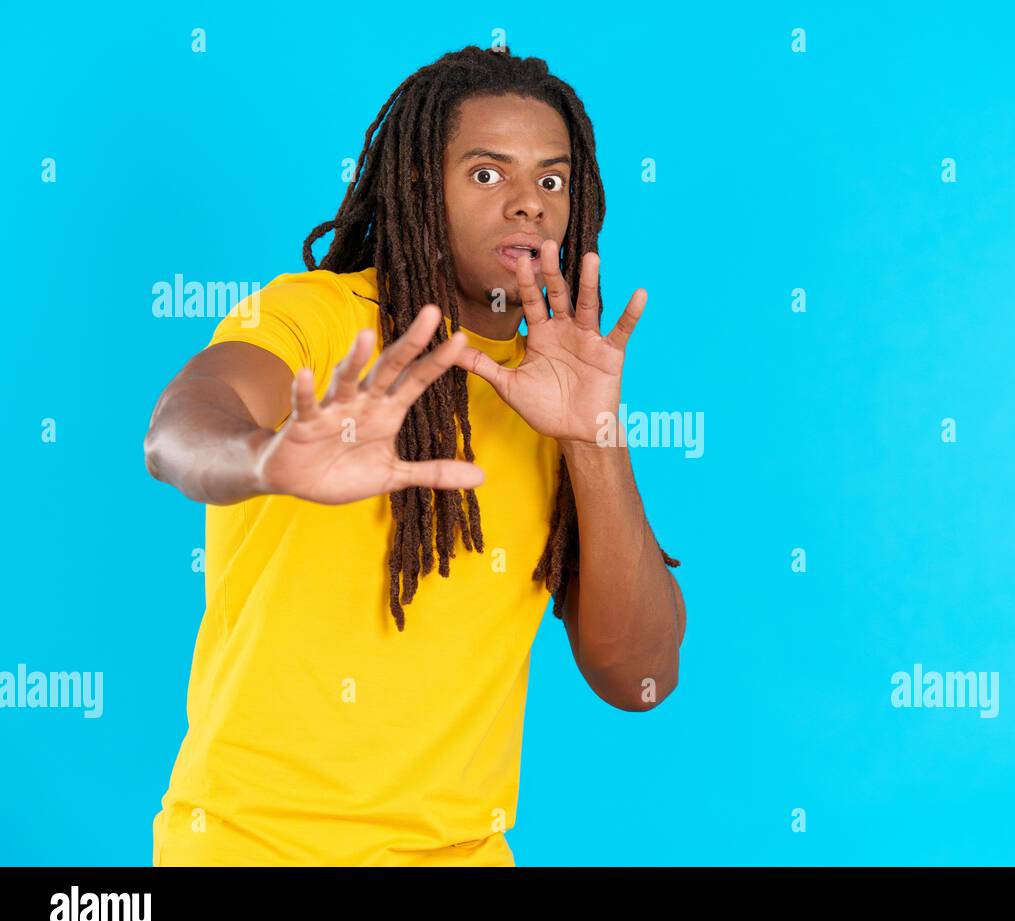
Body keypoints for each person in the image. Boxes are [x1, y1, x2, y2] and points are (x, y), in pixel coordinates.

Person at [143, 45, 686, 866]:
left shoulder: (559, 383)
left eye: (551, 180)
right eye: (485, 174)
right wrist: (266, 459)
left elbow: (638, 677)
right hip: (251, 849)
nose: (528, 206)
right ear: (417, 189)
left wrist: (592, 440)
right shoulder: (322, 321)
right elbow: (179, 430)